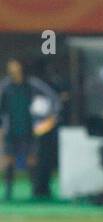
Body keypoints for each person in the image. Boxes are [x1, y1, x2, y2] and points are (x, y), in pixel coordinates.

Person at [1, 59, 60, 201]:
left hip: (30, 130)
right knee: (9, 160)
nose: (13, 71)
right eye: (11, 68)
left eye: (16, 67)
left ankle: (35, 192)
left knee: (32, 161)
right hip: (11, 130)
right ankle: (8, 193)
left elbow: (53, 99)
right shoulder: (5, 87)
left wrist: (51, 118)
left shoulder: (33, 85)